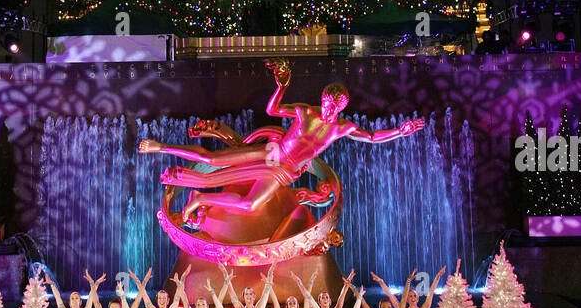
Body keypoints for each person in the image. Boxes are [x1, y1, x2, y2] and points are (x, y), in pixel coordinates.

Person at [140, 59, 424, 227]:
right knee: (213, 161)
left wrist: (401, 130)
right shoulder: (304, 111)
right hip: (272, 152)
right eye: (326, 103)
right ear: (323, 99)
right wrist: (281, 86)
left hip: (285, 171)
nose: (327, 110)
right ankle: (160, 147)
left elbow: (372, 137)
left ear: (340, 109)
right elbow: (273, 111)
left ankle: (200, 198)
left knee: (250, 205)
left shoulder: (340, 128)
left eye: (332, 108)